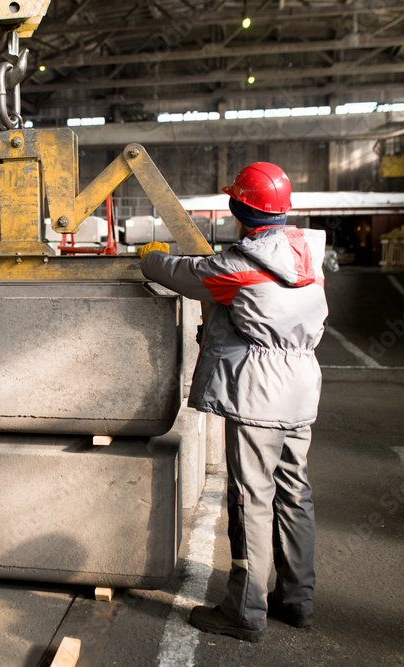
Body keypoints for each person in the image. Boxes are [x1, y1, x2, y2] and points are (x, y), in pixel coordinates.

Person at [137, 162, 328, 642]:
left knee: (250, 499)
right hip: (302, 386)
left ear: (238, 207)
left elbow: (182, 273)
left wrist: (150, 256)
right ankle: (296, 598)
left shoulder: (236, 267)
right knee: (295, 493)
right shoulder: (307, 253)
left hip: (258, 394)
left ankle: (244, 610)